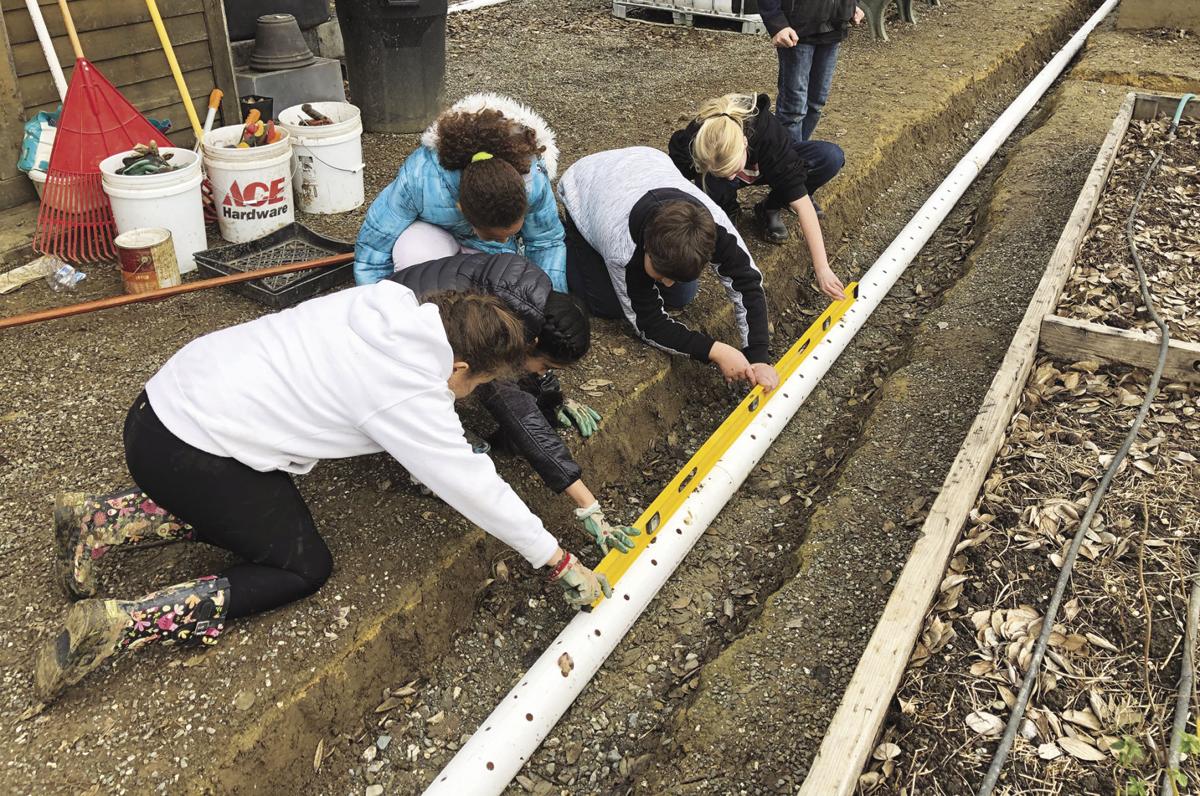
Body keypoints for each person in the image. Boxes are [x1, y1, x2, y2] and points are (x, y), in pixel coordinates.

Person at [36, 285, 609, 703]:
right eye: (476, 385)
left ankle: (98, 520)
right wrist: (557, 560)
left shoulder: (389, 304)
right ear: (459, 364)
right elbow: (473, 484)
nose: (467, 396)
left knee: (253, 498)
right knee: (302, 566)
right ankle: (125, 622)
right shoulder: (406, 388)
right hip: (186, 449)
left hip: (163, 404)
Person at [388, 252, 639, 556]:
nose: (544, 373)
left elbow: (531, 360)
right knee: (450, 389)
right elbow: (518, 414)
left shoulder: (531, 297)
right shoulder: (491, 334)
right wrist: (588, 504)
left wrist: (554, 398)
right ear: (532, 343)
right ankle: (423, 469)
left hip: (397, 295)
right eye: (547, 366)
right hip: (396, 340)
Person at [558, 146, 779, 393]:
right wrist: (715, 351)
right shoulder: (622, 248)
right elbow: (648, 324)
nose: (667, 282)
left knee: (681, 294)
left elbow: (746, 281)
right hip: (586, 183)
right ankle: (562, 236)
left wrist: (758, 354)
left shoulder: (715, 225)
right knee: (606, 306)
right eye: (661, 274)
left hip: (645, 162)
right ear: (647, 249)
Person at [353, 93, 567, 291]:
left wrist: (550, 298)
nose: (504, 241)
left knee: (506, 291)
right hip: (433, 239)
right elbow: (375, 245)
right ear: (461, 208)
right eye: (496, 236)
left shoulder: (532, 181)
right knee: (413, 253)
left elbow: (545, 241)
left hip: (485, 254)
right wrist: (373, 300)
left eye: (510, 235)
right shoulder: (421, 178)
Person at [668, 93, 846, 300]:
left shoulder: (770, 137)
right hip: (718, 177)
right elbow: (672, 179)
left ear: (744, 143)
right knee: (713, 183)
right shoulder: (697, 140)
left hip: (765, 167)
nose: (733, 177)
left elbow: (803, 205)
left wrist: (822, 268)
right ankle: (727, 211)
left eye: (734, 170)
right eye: (726, 173)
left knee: (830, 156)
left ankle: (769, 207)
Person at [758, 0, 865, 144]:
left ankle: (796, 157)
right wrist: (776, 22)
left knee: (816, 104)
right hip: (797, 32)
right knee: (793, 109)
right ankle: (789, 162)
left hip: (834, 29)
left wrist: (850, 6)